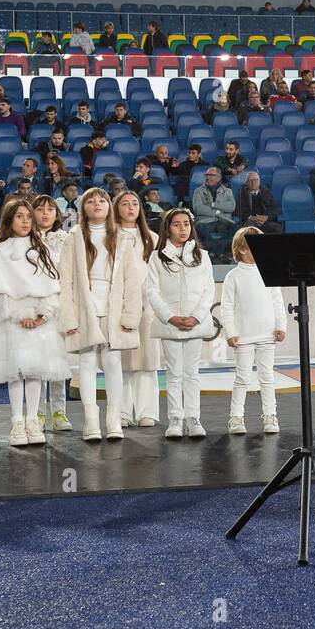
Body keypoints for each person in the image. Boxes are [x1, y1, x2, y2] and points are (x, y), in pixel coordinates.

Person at [0, 197, 72, 446]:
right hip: (11, 319)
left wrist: (42, 315)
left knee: (36, 370)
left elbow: (51, 288)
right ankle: (17, 421)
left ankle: (32, 421)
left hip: (39, 319)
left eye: (28, 217)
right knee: (15, 371)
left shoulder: (41, 249)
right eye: (19, 217)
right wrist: (19, 315)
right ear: (9, 220)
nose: (25, 221)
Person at [59, 187, 145, 441]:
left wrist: (130, 316)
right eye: (91, 201)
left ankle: (114, 420)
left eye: (102, 200)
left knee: (112, 365)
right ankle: (91, 422)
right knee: (85, 365)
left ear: (109, 206)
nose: (97, 204)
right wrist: (69, 317)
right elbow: (65, 281)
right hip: (84, 309)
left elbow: (131, 279)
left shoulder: (121, 237)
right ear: (83, 207)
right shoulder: (72, 237)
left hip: (113, 309)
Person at [147, 208, 216, 440]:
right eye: (177, 224)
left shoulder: (202, 256)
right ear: (168, 228)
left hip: (195, 323)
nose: (183, 228)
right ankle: (175, 419)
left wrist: (196, 316)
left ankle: (193, 417)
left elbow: (208, 290)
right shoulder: (157, 257)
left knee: (191, 373)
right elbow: (152, 292)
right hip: (170, 324)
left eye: (186, 224)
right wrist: (170, 316)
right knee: (174, 373)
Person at [220, 226, 287, 436]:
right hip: (244, 337)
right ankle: (236, 417)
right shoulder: (233, 276)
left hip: (267, 335)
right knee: (242, 378)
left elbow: (278, 302)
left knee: (267, 377)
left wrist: (281, 326)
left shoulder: (270, 272)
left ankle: (270, 416)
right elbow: (226, 307)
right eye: (251, 246)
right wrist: (230, 332)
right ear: (240, 249)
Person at [113, 191, 162, 430]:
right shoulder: (110, 237)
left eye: (135, 203)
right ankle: (122, 411)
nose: (131, 208)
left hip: (147, 305)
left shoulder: (151, 238)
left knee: (147, 360)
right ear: (116, 208)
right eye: (125, 203)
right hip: (119, 305)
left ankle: (147, 411)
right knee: (122, 362)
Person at [33, 195, 74, 431]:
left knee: (58, 360)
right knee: (37, 363)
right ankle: (37, 413)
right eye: (40, 209)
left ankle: (59, 412)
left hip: (59, 307)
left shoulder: (66, 239)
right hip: (35, 307)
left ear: (57, 214)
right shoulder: (26, 239)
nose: (45, 213)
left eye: (50, 209)